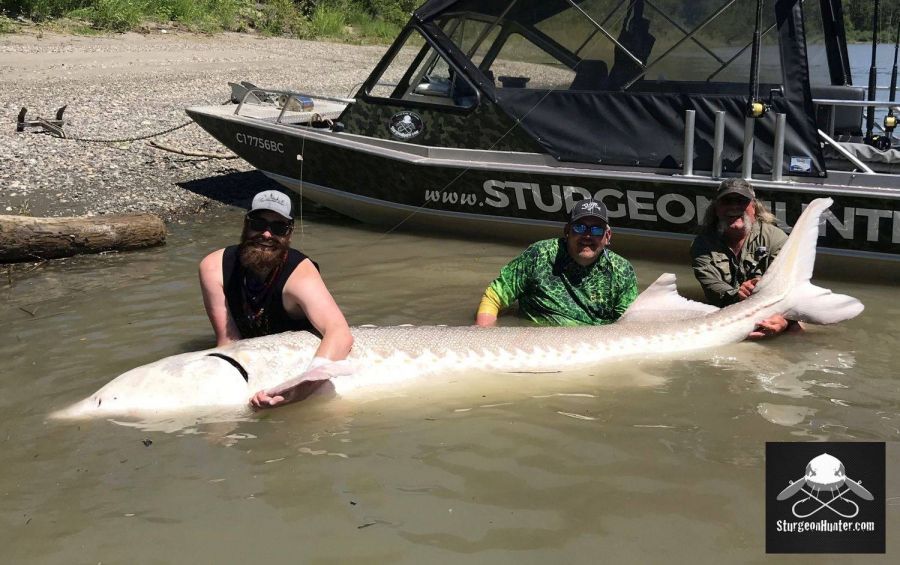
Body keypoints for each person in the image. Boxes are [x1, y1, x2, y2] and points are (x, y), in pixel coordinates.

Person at [198, 190, 353, 408]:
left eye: (278, 228)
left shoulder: (301, 273)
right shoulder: (213, 267)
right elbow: (228, 342)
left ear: (289, 233)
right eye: (259, 224)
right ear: (246, 224)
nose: (267, 235)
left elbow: (340, 333)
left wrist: (302, 388)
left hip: (304, 362)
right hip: (256, 360)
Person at [475, 198, 638, 327]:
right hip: (533, 343)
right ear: (567, 231)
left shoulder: (621, 270)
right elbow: (494, 296)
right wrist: (483, 334)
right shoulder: (540, 254)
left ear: (608, 236)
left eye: (596, 230)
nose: (587, 236)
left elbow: (627, 324)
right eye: (580, 228)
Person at [691, 178, 798, 338]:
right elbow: (712, 287)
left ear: (753, 207)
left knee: (798, 328)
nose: (734, 207)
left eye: (741, 201)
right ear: (716, 209)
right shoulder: (702, 244)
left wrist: (784, 321)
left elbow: (789, 287)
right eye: (727, 201)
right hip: (725, 313)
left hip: (772, 308)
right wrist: (737, 293)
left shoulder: (776, 238)